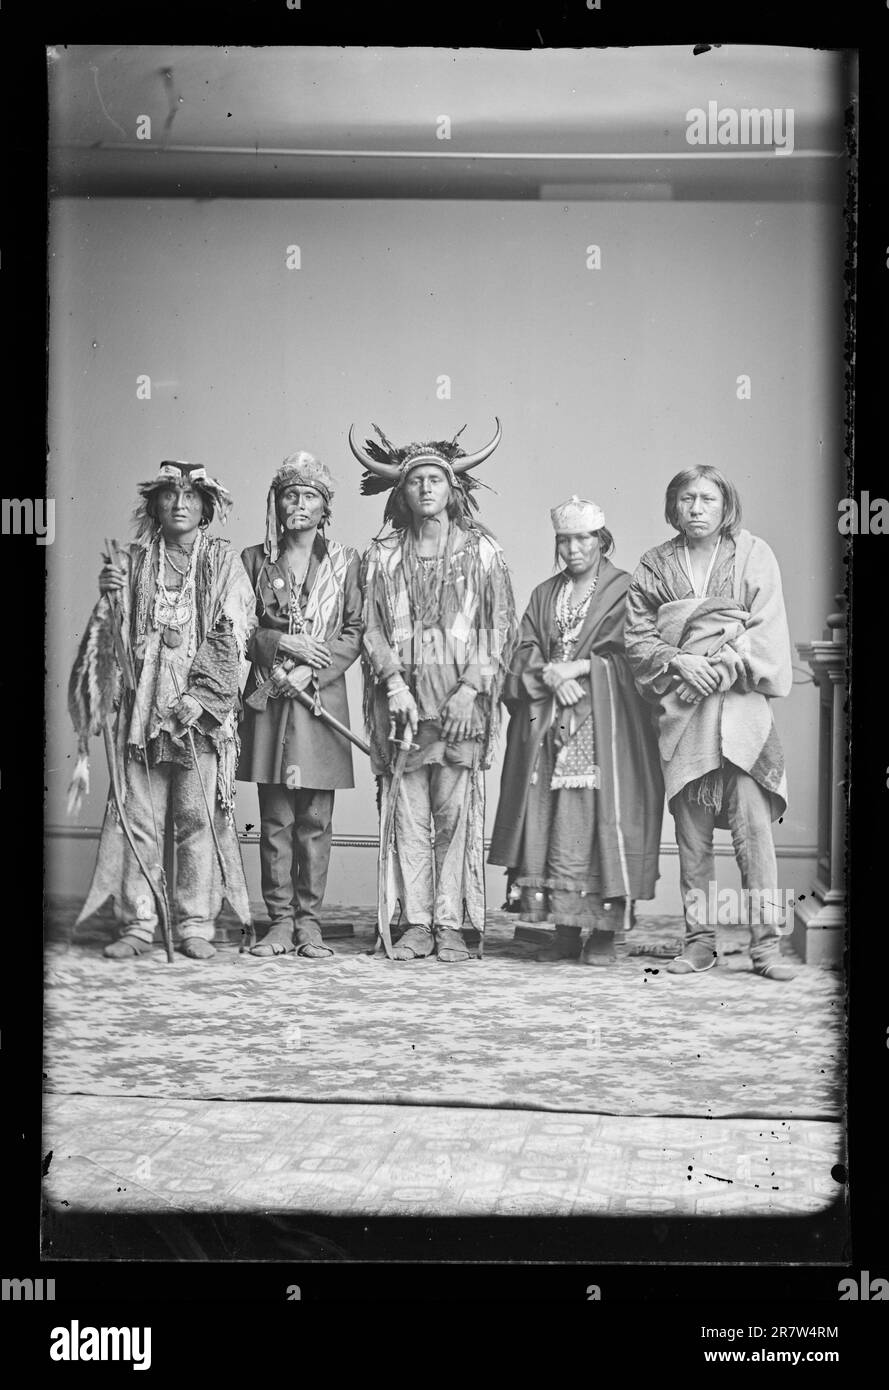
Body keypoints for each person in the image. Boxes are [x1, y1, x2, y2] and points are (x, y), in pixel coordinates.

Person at [68, 460, 256, 960]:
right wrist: (110, 596)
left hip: (199, 712)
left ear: (206, 508)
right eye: (170, 495)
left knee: (198, 817)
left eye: (191, 496)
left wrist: (202, 696)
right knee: (140, 817)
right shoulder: (132, 561)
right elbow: (108, 637)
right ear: (154, 505)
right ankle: (138, 923)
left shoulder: (222, 561)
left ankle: (196, 922)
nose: (180, 504)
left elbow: (235, 629)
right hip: (144, 713)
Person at [351, 419, 516, 962]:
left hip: (460, 709)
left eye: (436, 480)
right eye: (416, 480)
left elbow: (501, 627)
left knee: (454, 816)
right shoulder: (382, 556)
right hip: (402, 709)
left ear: (453, 490)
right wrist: (394, 684)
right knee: (407, 815)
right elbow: (370, 627)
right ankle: (415, 922)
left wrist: (471, 689)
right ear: (401, 492)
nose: (426, 488)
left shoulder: (484, 553)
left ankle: (449, 923)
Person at [624, 466, 796, 980]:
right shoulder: (653, 565)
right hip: (684, 720)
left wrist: (714, 666)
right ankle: (699, 943)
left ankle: (766, 947)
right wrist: (680, 663)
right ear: (672, 507)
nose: (696, 508)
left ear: (726, 506)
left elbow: (766, 633)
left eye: (707, 498)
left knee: (754, 836)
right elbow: (637, 640)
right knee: (693, 842)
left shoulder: (753, 553)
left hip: (740, 716)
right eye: (685, 498)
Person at [489, 497, 663, 965]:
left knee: (595, 822)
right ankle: (565, 929)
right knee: (554, 821)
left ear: (601, 541)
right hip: (549, 725)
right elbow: (521, 650)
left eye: (582, 538)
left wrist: (584, 669)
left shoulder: (627, 589)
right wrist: (548, 673)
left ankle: (605, 934)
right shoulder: (545, 594)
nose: (571, 549)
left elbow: (641, 657)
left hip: (606, 726)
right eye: (563, 540)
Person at [237, 453, 362, 959]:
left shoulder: (347, 563)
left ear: (325, 507)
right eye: (291, 494)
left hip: (318, 700)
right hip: (270, 700)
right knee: (275, 820)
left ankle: (309, 923)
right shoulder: (252, 561)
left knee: (315, 818)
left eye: (310, 496)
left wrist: (314, 667)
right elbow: (236, 629)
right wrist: (279, 644)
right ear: (277, 502)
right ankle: (280, 922)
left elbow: (355, 630)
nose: (299, 504)